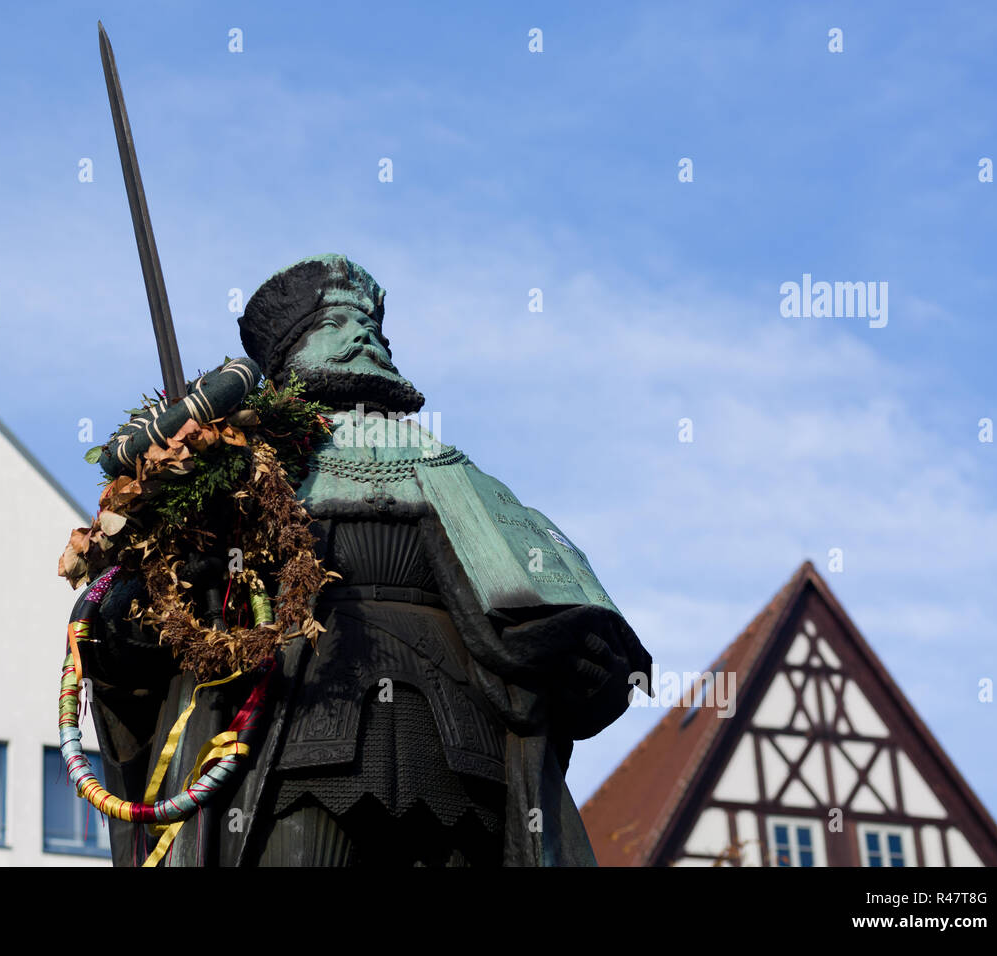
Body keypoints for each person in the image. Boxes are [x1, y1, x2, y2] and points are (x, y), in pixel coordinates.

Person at [79, 253, 651, 866]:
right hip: (292, 741)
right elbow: (135, 627)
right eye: (337, 326)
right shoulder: (242, 472)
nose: (363, 339)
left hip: (462, 757)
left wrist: (587, 656)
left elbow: (556, 614)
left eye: (372, 329)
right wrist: (147, 605)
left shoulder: (455, 472)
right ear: (287, 358)